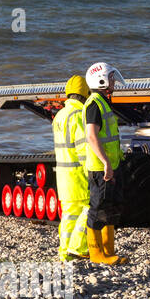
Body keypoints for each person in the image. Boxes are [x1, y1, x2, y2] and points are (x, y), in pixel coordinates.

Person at [83, 62, 129, 265]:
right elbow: (92, 136)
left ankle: (108, 250)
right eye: (110, 78)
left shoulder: (103, 102)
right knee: (98, 208)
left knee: (111, 207)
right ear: (100, 80)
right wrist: (105, 163)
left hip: (110, 165)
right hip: (100, 168)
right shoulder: (94, 104)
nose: (113, 81)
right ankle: (96, 253)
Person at [52, 74, 91, 261]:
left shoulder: (59, 115)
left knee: (68, 215)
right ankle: (77, 247)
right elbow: (83, 148)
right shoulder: (79, 115)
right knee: (89, 208)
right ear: (85, 94)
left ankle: (64, 252)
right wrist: (90, 171)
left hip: (63, 175)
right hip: (77, 175)